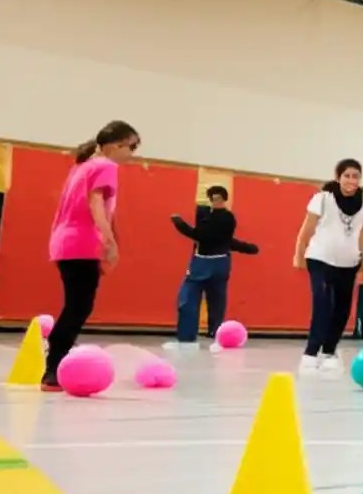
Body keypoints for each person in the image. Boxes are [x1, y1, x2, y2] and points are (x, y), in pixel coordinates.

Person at [42, 121, 140, 392]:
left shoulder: (82, 166)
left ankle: (58, 359)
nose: (131, 154)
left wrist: (113, 238)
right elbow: (96, 203)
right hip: (81, 243)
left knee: (75, 305)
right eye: (130, 147)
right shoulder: (106, 166)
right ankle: (53, 368)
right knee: (78, 307)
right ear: (114, 145)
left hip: (63, 242)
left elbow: (106, 209)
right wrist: (107, 241)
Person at [293, 158, 363, 374]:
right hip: (320, 257)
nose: (351, 180)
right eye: (347, 175)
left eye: (355, 176)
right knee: (322, 302)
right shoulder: (323, 199)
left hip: (349, 262)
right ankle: (310, 353)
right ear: (338, 177)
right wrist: (298, 253)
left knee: (342, 308)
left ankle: (329, 351)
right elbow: (307, 228)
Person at [164, 186, 259, 352]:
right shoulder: (224, 217)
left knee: (193, 299)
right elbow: (225, 241)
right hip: (218, 262)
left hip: (206, 263)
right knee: (212, 301)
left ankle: (191, 339)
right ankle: (211, 337)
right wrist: (248, 248)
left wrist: (180, 224)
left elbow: (203, 236)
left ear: (217, 198)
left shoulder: (221, 217)